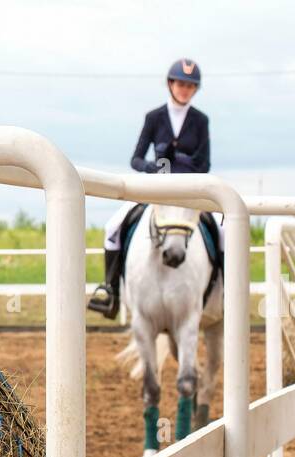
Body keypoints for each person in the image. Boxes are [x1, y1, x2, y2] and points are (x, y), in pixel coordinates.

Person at [89, 59, 212, 317]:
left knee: (222, 231)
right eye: (180, 83)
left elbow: (205, 163)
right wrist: (154, 169)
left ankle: (224, 292)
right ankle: (110, 291)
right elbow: (135, 159)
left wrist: (179, 162)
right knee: (113, 227)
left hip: (188, 194)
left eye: (190, 86)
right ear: (171, 84)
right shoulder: (154, 118)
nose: (185, 89)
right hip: (155, 191)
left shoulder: (200, 121)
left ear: (195, 89)